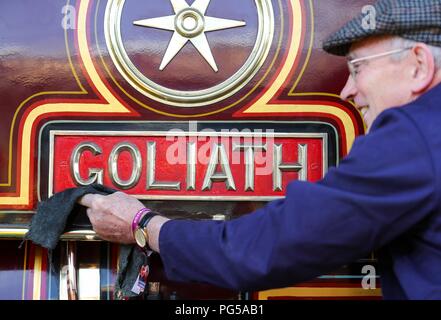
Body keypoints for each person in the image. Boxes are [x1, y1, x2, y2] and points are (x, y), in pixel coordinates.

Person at [79, 0, 441, 299]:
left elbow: (272, 246)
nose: (347, 90)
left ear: (419, 65)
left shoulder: (416, 133)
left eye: (357, 68)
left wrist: (143, 224)